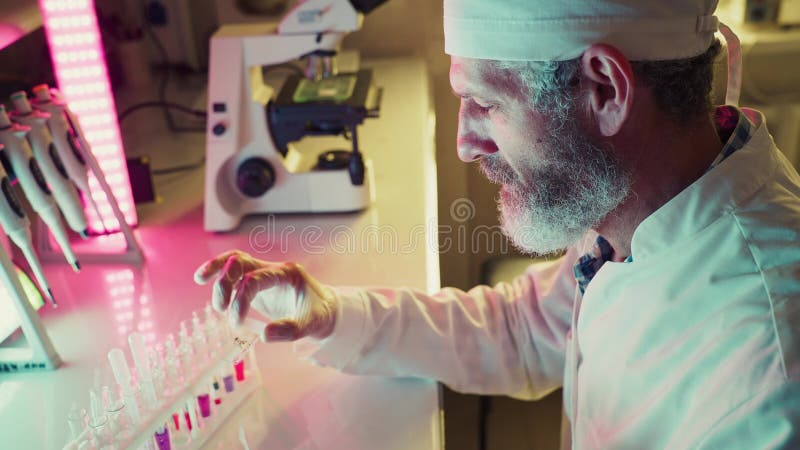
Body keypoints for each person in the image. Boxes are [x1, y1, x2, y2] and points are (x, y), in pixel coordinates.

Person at [194, 0, 800, 447]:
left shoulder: (766, 382)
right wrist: (336, 315)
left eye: (485, 103)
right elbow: (530, 328)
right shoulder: (636, 203)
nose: (465, 143)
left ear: (606, 90)